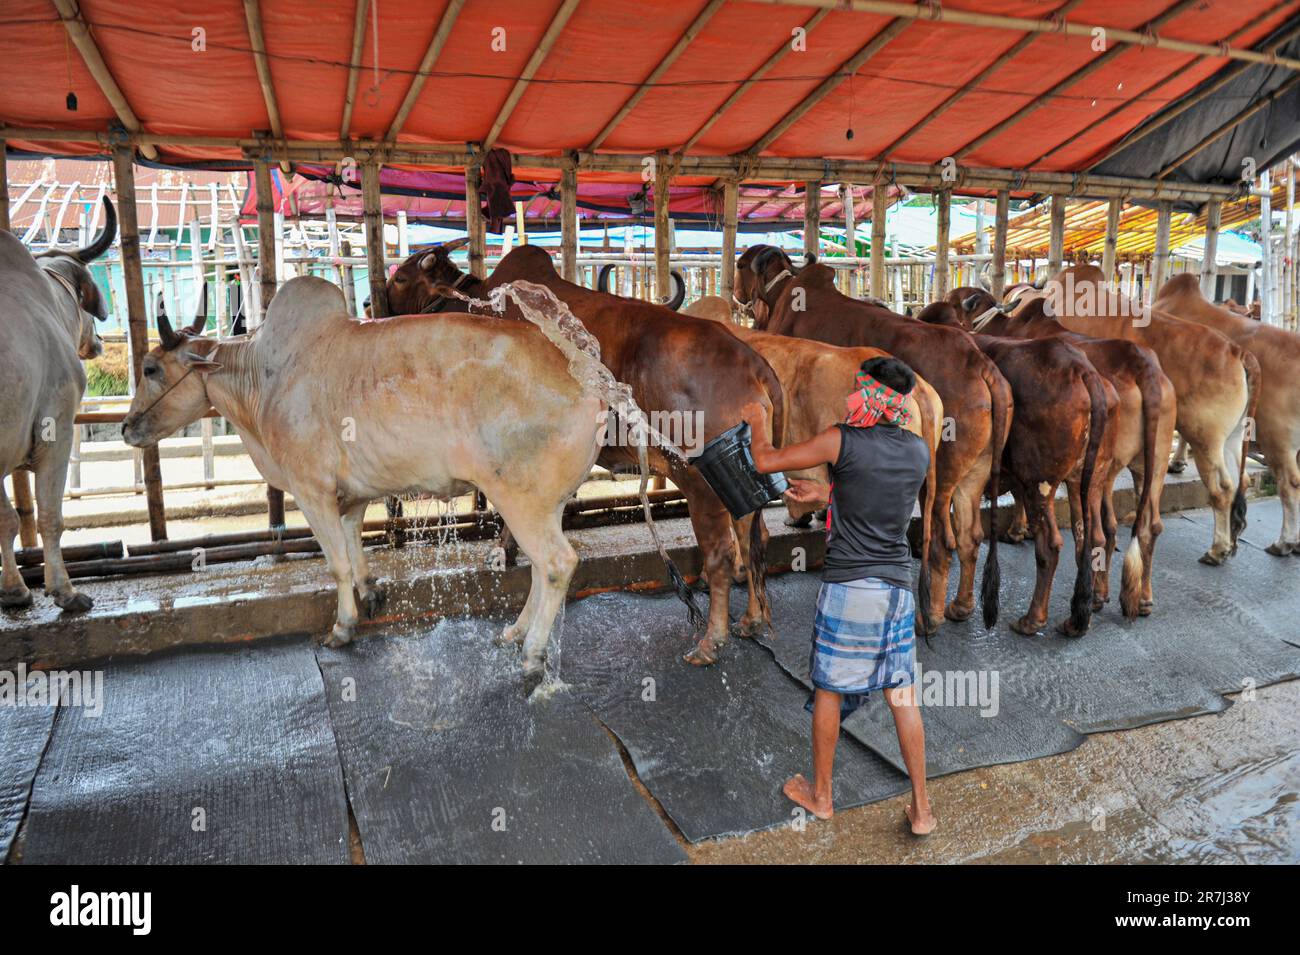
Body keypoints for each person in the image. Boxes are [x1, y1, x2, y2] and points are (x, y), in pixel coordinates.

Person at [742, 355, 935, 835]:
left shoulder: (839, 440)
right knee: (902, 693)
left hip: (849, 587)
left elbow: (765, 461)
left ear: (869, 393)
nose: (850, 395)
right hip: (895, 589)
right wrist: (826, 498)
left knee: (830, 690)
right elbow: (879, 499)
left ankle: (822, 796)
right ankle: (923, 809)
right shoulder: (918, 450)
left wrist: (757, 421)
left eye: (857, 387)